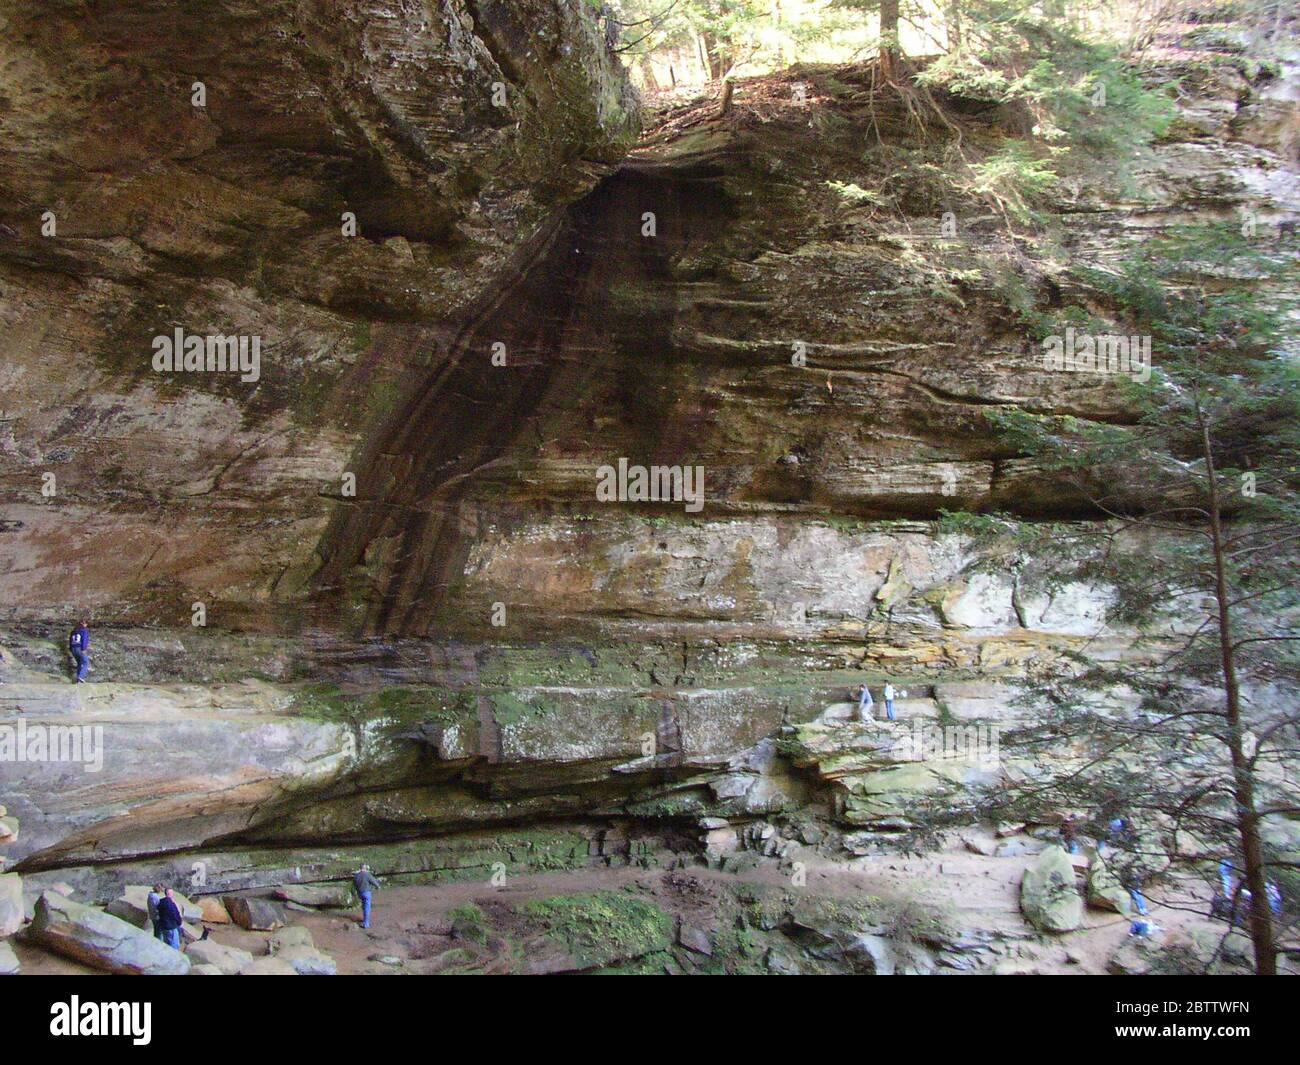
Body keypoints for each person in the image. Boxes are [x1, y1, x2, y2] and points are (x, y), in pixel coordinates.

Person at [353, 864, 380, 929]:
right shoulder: (367, 874)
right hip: (367, 893)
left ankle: (364, 919)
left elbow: (355, 885)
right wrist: (378, 886)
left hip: (360, 893)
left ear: (360, 868)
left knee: (364, 906)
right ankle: (366, 923)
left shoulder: (356, 876)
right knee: (367, 907)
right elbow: (374, 882)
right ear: (365, 868)